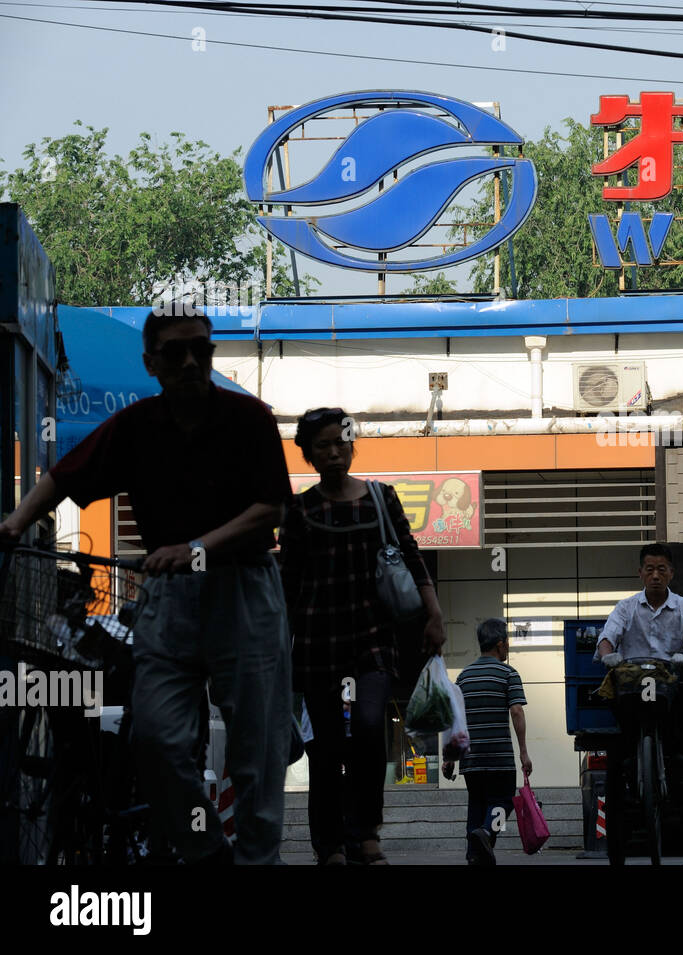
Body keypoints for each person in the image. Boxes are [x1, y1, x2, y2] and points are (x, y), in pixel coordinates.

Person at [0, 308, 293, 865]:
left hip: (243, 590)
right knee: (154, 741)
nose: (190, 362)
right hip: (169, 599)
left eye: (201, 351)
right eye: (176, 353)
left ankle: (259, 859)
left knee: (258, 748)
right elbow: (64, 476)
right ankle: (207, 853)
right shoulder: (136, 427)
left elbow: (271, 509)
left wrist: (197, 548)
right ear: (151, 363)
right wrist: (15, 524)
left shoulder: (249, 418)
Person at [277, 408, 446, 865]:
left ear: (352, 446)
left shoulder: (380, 498)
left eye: (341, 443)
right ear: (309, 454)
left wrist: (434, 614)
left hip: (372, 638)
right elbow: (287, 584)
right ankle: (329, 843)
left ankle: (367, 831)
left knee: (371, 729)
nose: (333, 452)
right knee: (327, 747)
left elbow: (411, 556)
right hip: (316, 642)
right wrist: (276, 647)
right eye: (322, 446)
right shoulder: (300, 509)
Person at [443, 618, 530, 865]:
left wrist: (449, 758)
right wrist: (524, 753)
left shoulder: (463, 677)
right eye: (508, 644)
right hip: (500, 759)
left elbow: (454, 719)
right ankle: (488, 832)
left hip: (471, 760)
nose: (508, 648)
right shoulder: (508, 674)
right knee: (503, 804)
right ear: (500, 644)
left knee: (477, 805)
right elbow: (516, 711)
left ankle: (474, 855)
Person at [594, 543, 683, 669]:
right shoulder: (625, 607)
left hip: (673, 679)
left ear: (671, 573)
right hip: (631, 679)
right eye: (649, 570)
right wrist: (607, 655)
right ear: (640, 573)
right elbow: (607, 637)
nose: (655, 576)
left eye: (661, 570)